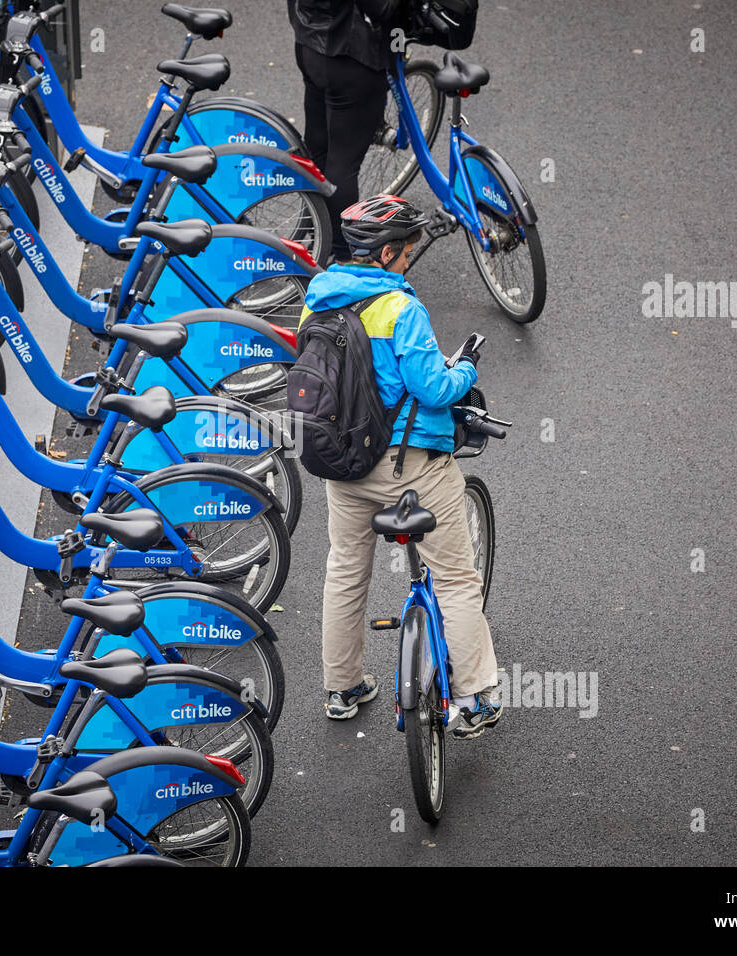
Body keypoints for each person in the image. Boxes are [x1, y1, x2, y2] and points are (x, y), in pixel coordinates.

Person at [301, 193, 501, 739]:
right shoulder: (402, 310)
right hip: (410, 466)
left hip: (343, 466)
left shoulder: (315, 301)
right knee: (458, 579)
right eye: (407, 252)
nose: (409, 260)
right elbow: (431, 388)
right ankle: (476, 696)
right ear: (388, 253)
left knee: (345, 568)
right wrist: (462, 369)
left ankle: (342, 687)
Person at [287, 0, 401, 261]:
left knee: (319, 149)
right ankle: (345, 257)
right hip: (350, 54)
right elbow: (381, 8)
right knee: (343, 165)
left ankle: (320, 234)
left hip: (310, 43)